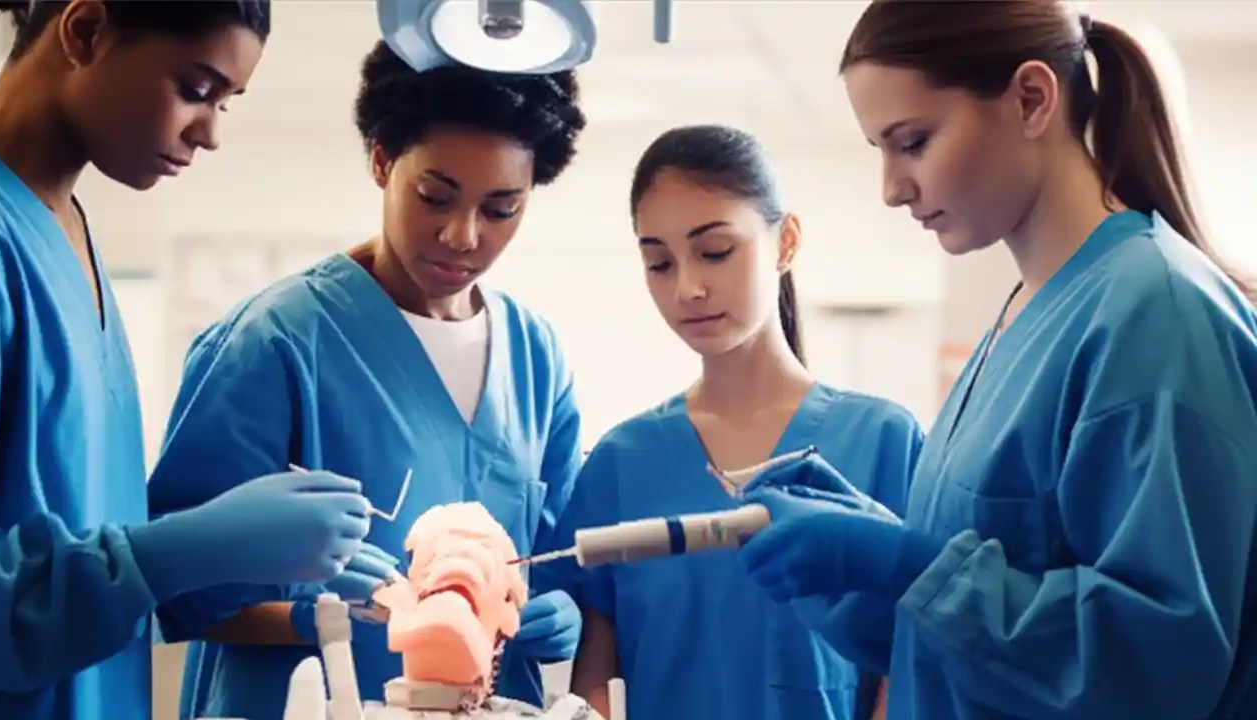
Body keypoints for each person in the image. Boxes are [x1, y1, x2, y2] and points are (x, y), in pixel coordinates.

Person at [737, 2, 1257, 719]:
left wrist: (905, 564)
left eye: (913, 142)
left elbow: (1157, 667)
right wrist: (867, 564)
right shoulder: (1024, 315)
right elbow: (972, 647)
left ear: (1032, 99)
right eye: (878, 151)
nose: (891, 188)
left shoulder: (1154, 313)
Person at [146, 40, 590, 720]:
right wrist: (312, 618)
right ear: (382, 160)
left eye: (501, 209)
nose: (463, 235)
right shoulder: (277, 342)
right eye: (435, 196)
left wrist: (556, 611)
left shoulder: (536, 360)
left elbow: (552, 565)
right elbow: (177, 590)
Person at [0, 2, 376, 720]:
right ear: (86, 30)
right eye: (196, 89)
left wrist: (269, 588)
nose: (211, 133)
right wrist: (168, 553)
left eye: (227, 103)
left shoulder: (68, 235)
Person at [554, 124, 924, 720]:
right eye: (659, 263)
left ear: (786, 242)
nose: (689, 288)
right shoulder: (624, 462)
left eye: (715, 251)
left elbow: (912, 658)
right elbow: (597, 668)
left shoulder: (881, 441)